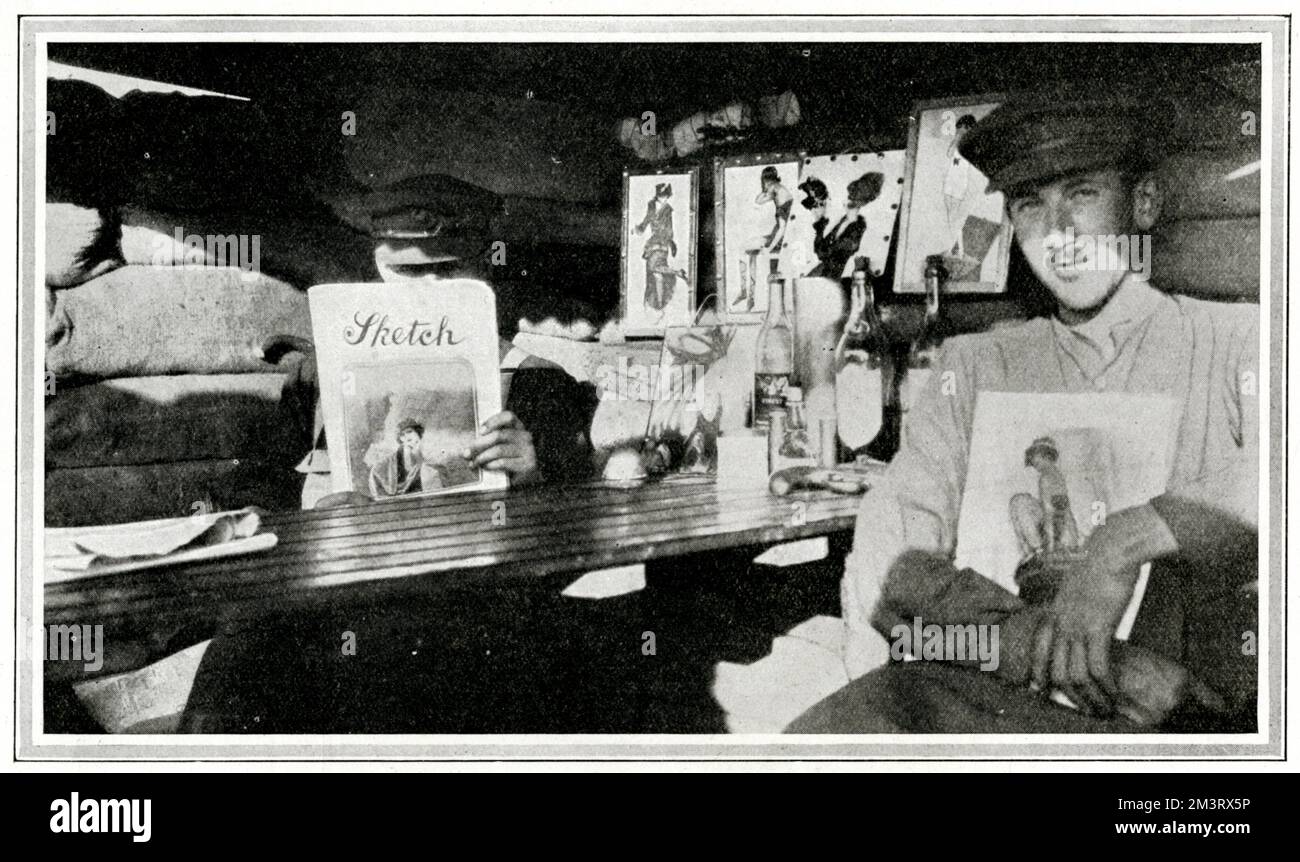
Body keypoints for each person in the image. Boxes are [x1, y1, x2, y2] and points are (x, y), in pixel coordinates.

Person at [776, 95, 1260, 733]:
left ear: (1142, 205)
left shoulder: (1235, 342)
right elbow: (893, 569)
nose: (1058, 233)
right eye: (1031, 204)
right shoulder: (975, 366)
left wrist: (1123, 541)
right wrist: (1064, 656)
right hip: (993, 701)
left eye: (1081, 194)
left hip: (1172, 722)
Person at [735, 165, 793, 310]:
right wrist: (766, 190)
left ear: (767, 181)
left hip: (780, 238)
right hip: (778, 235)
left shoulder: (780, 195)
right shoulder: (778, 189)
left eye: (765, 183)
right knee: (749, 250)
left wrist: (770, 247)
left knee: (743, 248)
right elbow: (758, 200)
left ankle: (746, 293)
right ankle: (748, 296)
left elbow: (782, 228)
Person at [808, 171, 882, 279]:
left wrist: (820, 223)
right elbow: (821, 249)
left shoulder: (857, 228)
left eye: (849, 196)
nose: (845, 199)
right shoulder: (843, 221)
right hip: (824, 271)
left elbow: (823, 253)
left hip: (833, 275)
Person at [634, 182, 688, 318]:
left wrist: (671, 242)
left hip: (662, 242)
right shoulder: (651, 205)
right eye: (661, 196)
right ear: (657, 195)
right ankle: (658, 306)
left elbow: (670, 228)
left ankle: (677, 272)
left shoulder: (668, 209)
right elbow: (647, 219)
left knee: (654, 269)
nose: (663, 199)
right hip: (653, 242)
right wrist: (639, 228)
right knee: (656, 275)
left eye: (665, 196)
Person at [367, 419, 447, 497]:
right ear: (400, 439)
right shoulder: (395, 457)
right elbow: (377, 470)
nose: (406, 436)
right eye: (402, 435)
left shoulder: (426, 452)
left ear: (417, 433)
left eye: (409, 432)